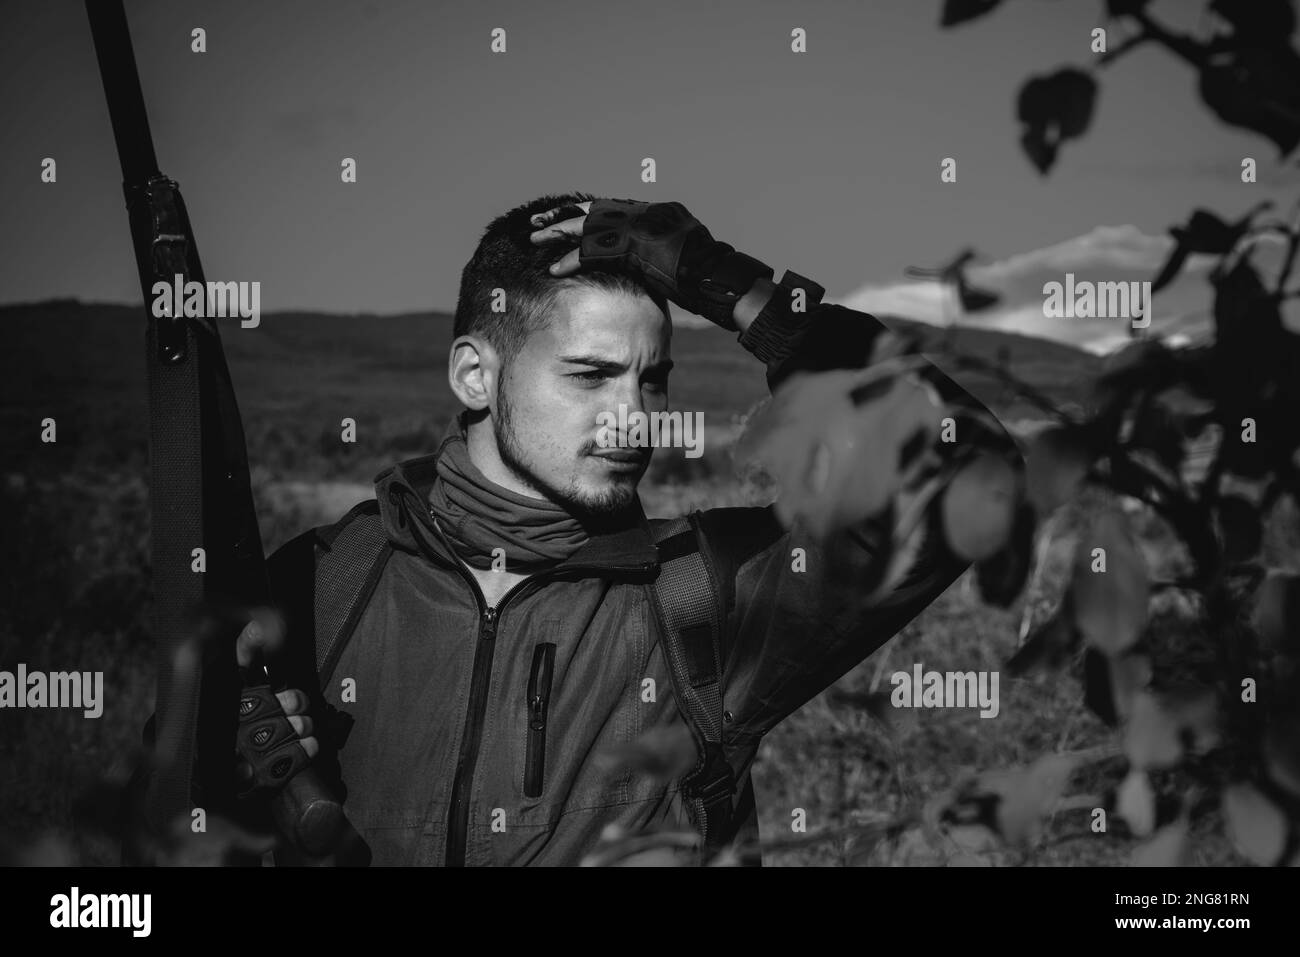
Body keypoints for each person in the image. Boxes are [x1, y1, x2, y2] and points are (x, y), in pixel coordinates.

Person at [218, 193, 1023, 866]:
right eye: (591, 374)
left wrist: (739, 291)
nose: (635, 419)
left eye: (653, 379)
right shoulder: (323, 581)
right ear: (475, 374)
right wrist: (224, 765)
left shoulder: (706, 593)